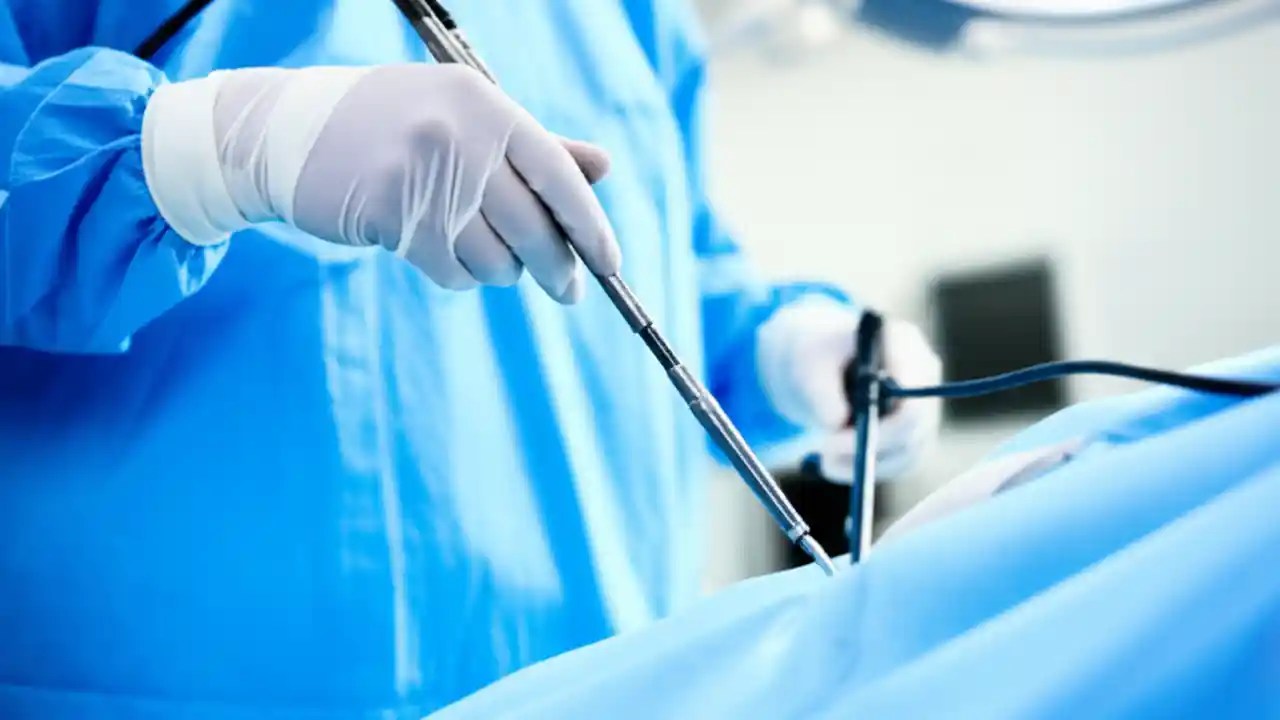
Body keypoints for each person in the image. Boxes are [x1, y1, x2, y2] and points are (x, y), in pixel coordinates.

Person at [0, 0, 941, 716]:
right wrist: (200, 149)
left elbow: (662, 276)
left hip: (599, 679)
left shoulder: (629, 16)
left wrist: (785, 352)